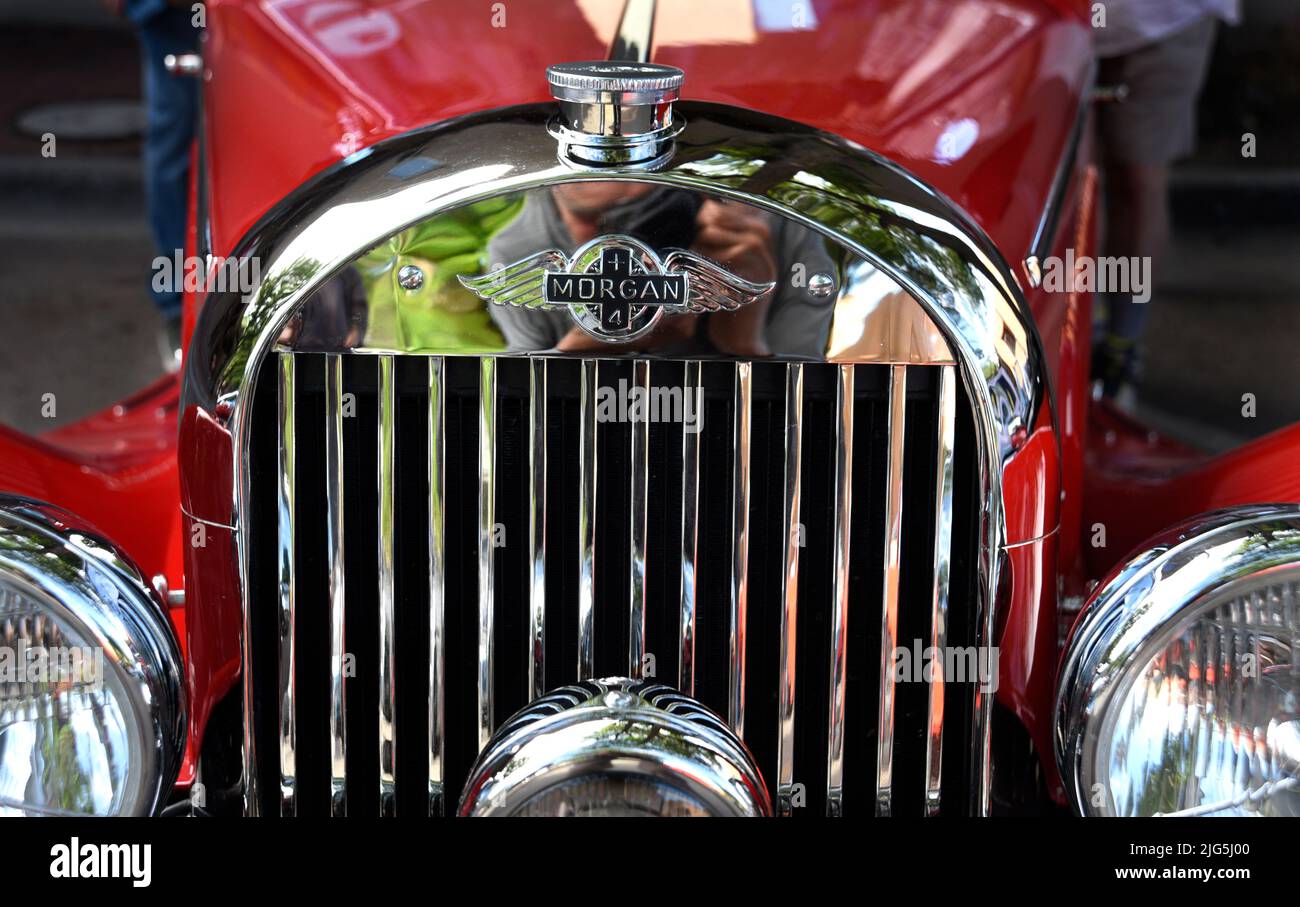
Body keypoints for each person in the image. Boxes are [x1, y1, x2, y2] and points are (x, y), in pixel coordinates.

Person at [1092, 0, 1238, 399]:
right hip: (1056, 21)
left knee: (1136, 183)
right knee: (1072, 184)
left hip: (1166, 20)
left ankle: (1120, 349)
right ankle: (1084, 333)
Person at [108, 0, 201, 372]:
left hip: (258, 11)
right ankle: (178, 302)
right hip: (170, 11)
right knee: (173, 142)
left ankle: (246, 290)